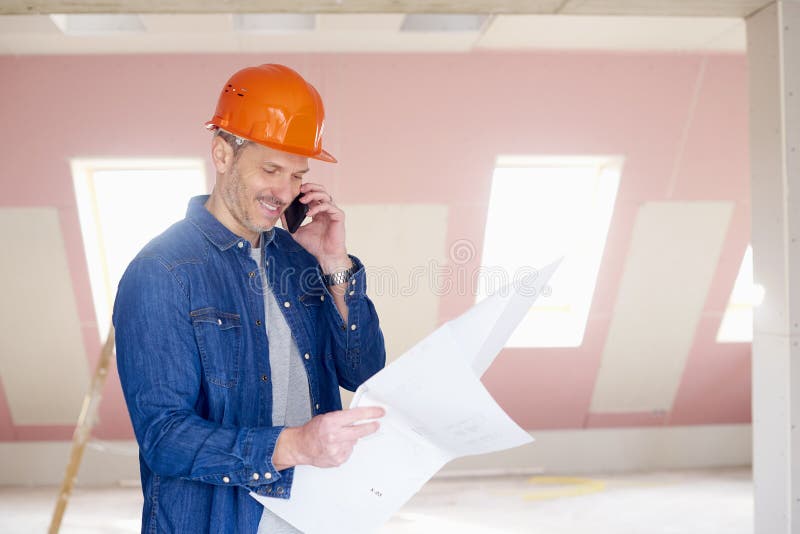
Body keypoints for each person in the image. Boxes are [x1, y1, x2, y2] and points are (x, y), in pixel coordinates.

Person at [113, 64, 387, 534]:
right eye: (270, 169)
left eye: (297, 175)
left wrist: (334, 263)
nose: (284, 193)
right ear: (222, 154)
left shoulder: (298, 258)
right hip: (219, 521)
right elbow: (164, 437)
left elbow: (362, 372)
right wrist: (295, 446)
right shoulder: (161, 272)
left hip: (313, 512)